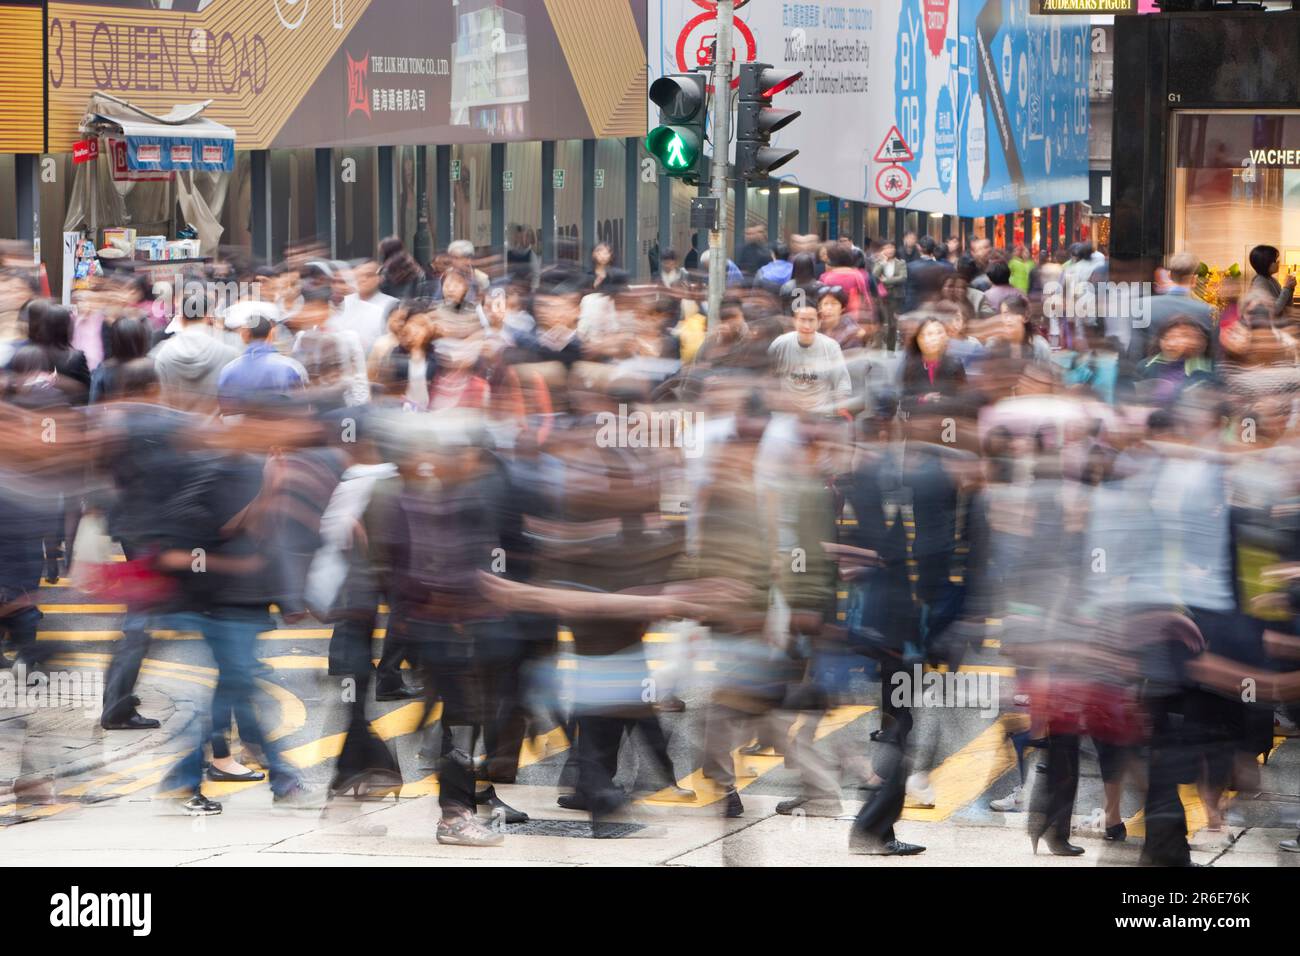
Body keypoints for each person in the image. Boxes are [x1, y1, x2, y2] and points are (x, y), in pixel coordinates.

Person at [151, 292, 240, 414]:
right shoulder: (229, 353)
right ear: (209, 317)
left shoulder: (161, 353)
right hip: (214, 429)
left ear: (181, 318)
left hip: (176, 429)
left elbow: (161, 400)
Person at [216, 309, 309, 413]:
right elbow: (303, 407)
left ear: (244, 335)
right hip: (281, 425)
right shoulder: (291, 367)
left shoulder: (228, 370)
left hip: (242, 427)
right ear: (271, 334)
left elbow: (225, 410)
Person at [767, 306, 851, 415]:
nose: (807, 326)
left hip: (822, 412)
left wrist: (842, 408)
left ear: (819, 322)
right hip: (788, 413)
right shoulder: (780, 344)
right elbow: (767, 375)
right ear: (794, 321)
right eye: (802, 320)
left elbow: (841, 380)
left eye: (811, 320)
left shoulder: (831, 346)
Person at [901, 315, 966, 404]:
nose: (932, 339)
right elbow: (903, 399)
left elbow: (962, 397)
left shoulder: (954, 364)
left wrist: (945, 401)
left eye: (939, 333)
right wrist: (922, 399)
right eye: (927, 334)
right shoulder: (911, 365)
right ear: (918, 339)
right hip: (919, 414)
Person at [872, 241, 907, 350]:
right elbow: (874, 275)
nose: (889, 250)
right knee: (883, 322)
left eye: (891, 247)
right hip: (882, 296)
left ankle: (890, 349)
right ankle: (879, 345)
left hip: (896, 296)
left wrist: (887, 281)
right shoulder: (879, 262)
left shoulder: (900, 263)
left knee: (893, 323)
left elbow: (902, 277)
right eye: (886, 248)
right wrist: (883, 262)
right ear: (882, 250)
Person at [1248, 243, 1296, 323]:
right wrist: (1286, 288)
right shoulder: (1259, 282)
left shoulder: (1272, 279)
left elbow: (1287, 306)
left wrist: (1290, 289)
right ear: (1265, 262)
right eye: (1275, 260)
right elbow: (1273, 310)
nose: (1278, 262)